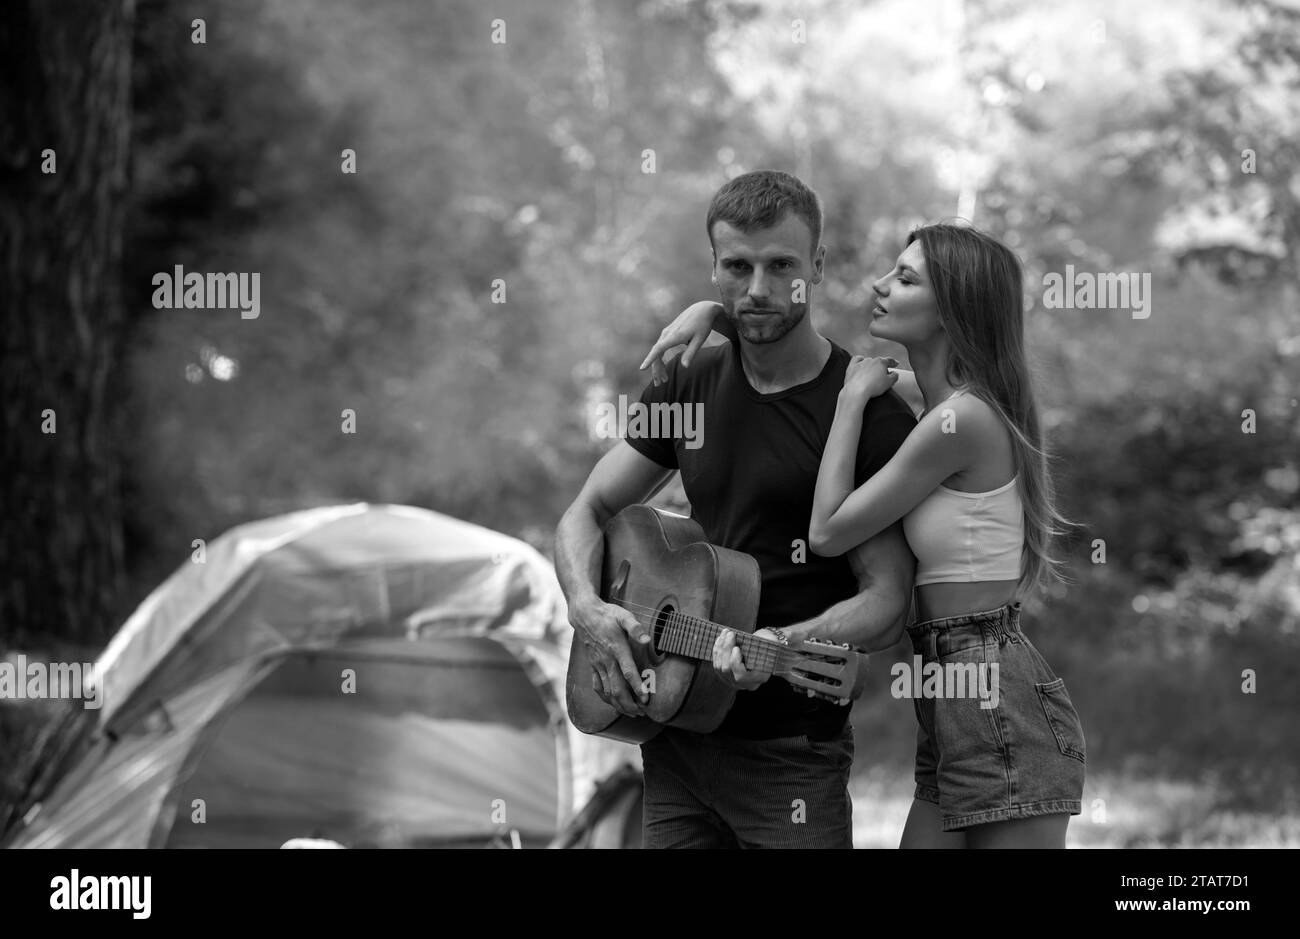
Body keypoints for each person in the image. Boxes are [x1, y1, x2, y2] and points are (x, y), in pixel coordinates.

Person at [648, 221, 1086, 848]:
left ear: (953, 309)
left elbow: (826, 531)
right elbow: (810, 361)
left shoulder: (959, 421)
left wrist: (852, 403)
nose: (881, 285)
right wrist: (712, 313)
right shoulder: (940, 403)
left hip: (995, 691)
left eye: (906, 279)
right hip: (950, 690)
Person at [554, 170, 918, 848]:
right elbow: (589, 508)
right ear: (714, 269)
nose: (758, 289)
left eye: (781, 265)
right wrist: (586, 606)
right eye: (737, 266)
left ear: (817, 265)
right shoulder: (690, 380)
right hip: (673, 736)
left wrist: (785, 642)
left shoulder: (863, 410)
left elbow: (888, 596)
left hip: (790, 755)